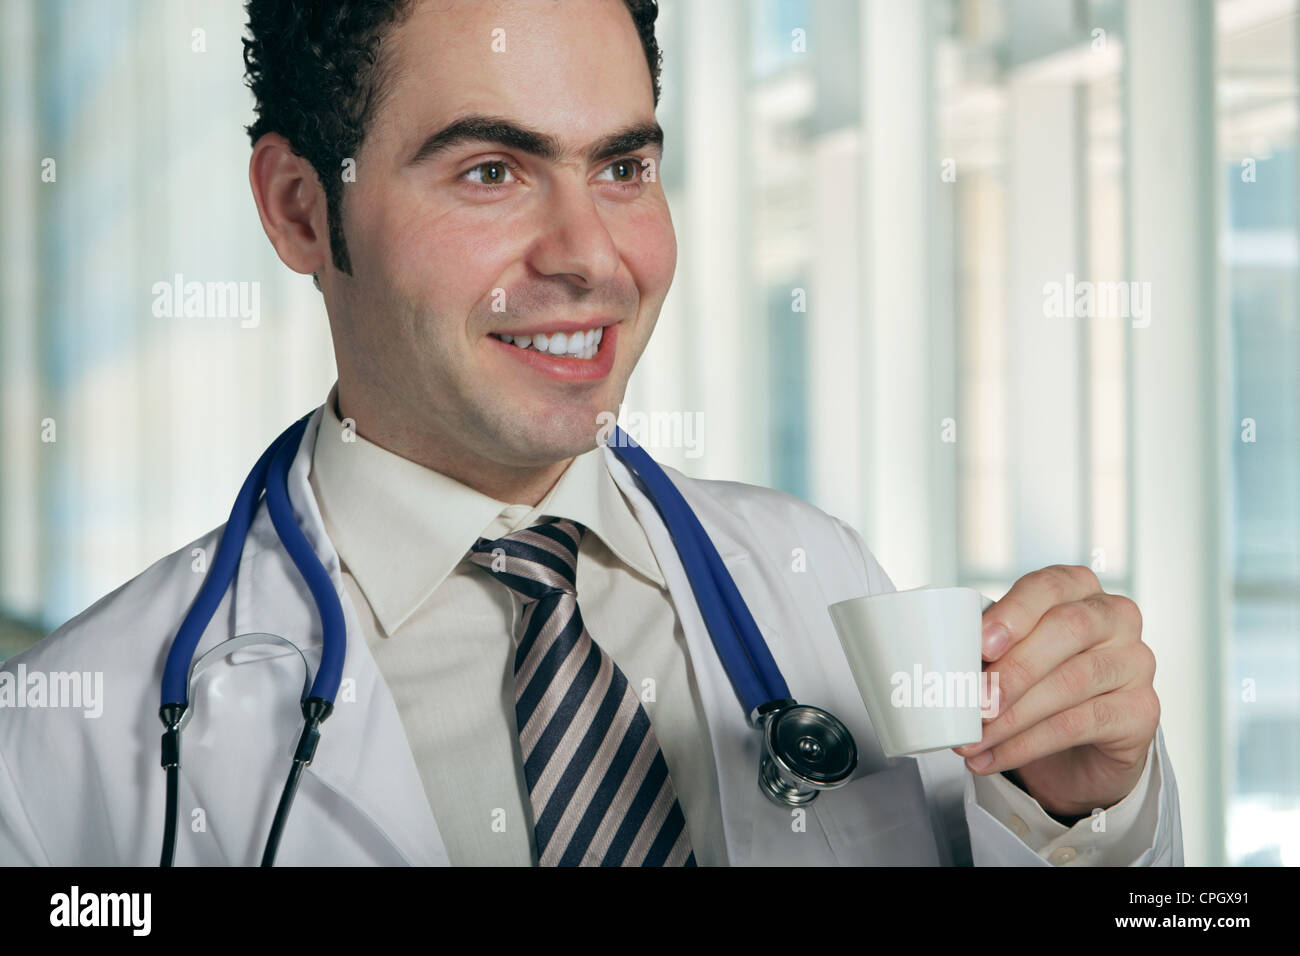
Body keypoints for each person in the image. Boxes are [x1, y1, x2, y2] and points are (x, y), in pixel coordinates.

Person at [0, 0, 1181, 866]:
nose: (587, 254)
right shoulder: (66, 745)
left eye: (621, 164)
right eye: (491, 169)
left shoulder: (812, 582)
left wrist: (1082, 816)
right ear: (302, 209)